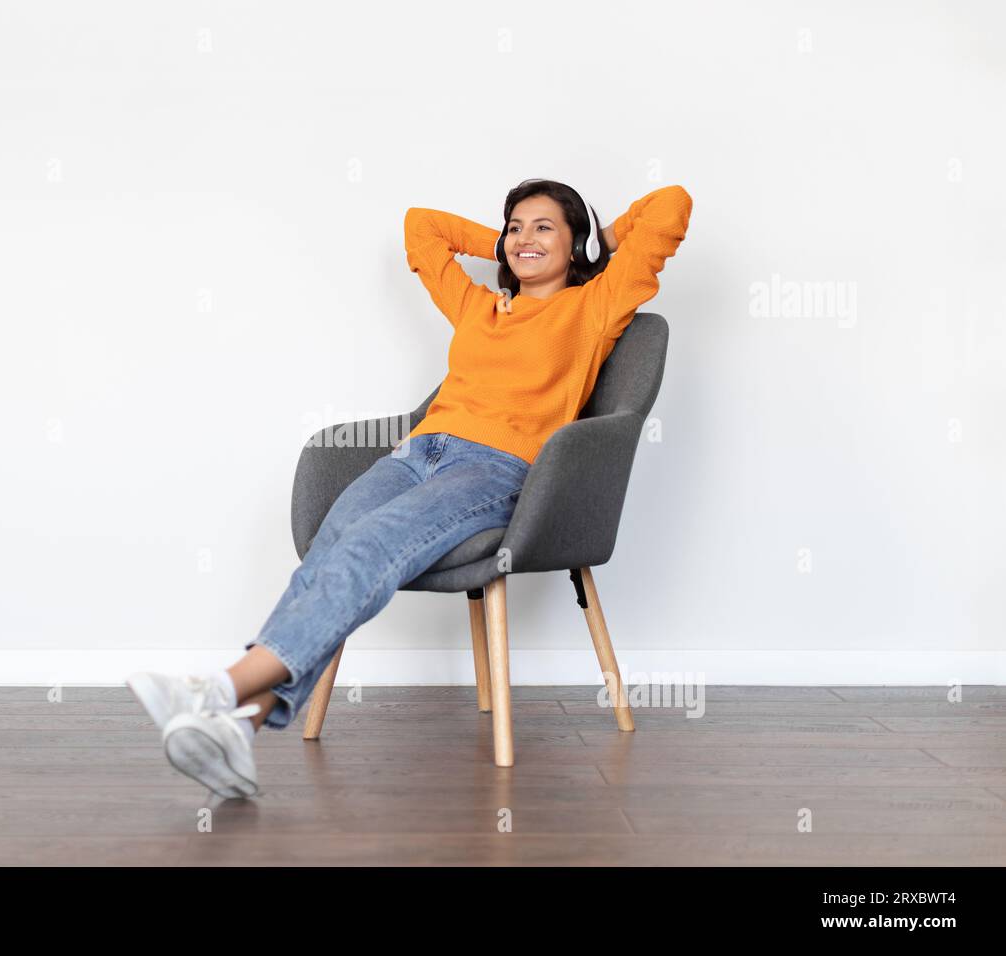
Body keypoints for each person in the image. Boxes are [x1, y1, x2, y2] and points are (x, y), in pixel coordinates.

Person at [127, 179, 693, 798]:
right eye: (515, 227)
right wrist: (507, 249)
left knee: (369, 544)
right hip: (417, 452)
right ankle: (243, 727)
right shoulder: (477, 307)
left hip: (496, 469)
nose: (524, 239)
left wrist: (593, 244)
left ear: (575, 241)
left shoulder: (595, 308)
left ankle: (222, 688)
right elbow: (421, 227)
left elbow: (672, 204)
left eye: (544, 227)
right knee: (333, 543)